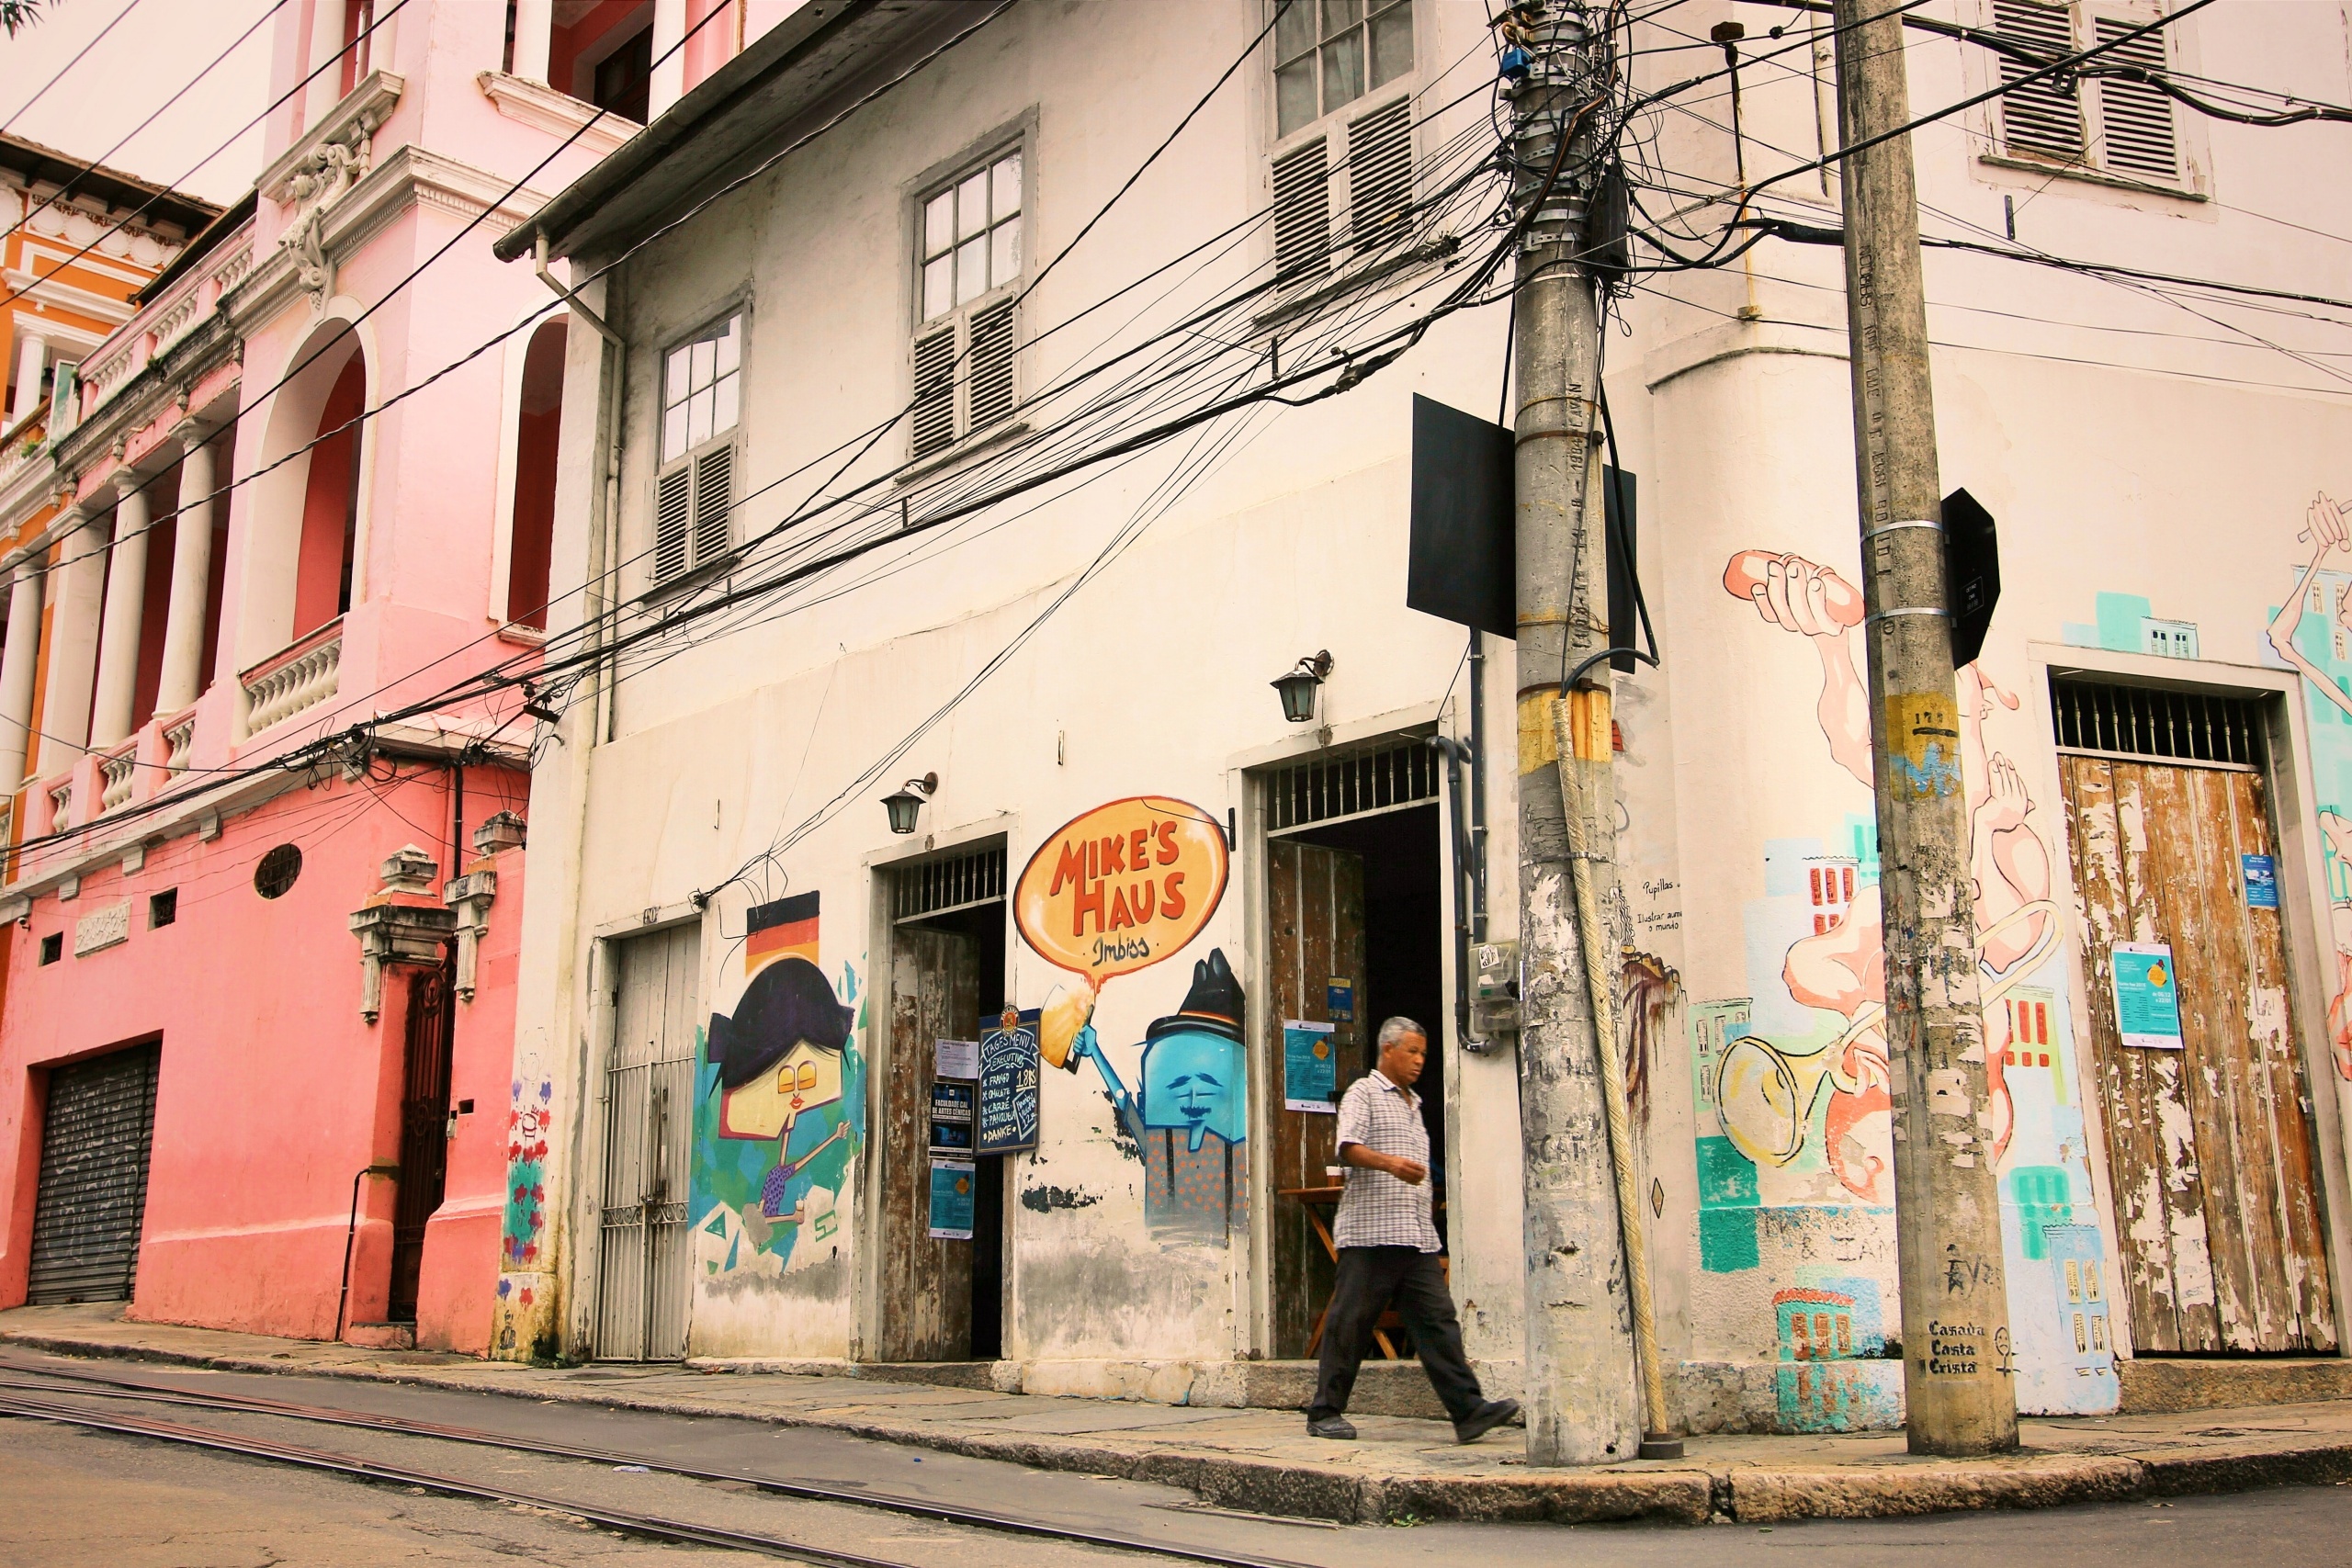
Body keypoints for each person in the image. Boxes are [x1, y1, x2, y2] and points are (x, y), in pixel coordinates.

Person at [1306, 1016, 1519, 1443]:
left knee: (1438, 1322)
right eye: (1412, 1052)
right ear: (1388, 1051)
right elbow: (1346, 1147)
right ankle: (1324, 1412)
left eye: (1423, 1053)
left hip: (1415, 1237)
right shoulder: (1363, 1093)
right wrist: (1391, 1163)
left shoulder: (1414, 1103)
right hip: (1371, 1235)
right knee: (1350, 1322)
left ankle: (1468, 1410)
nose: (1420, 1061)